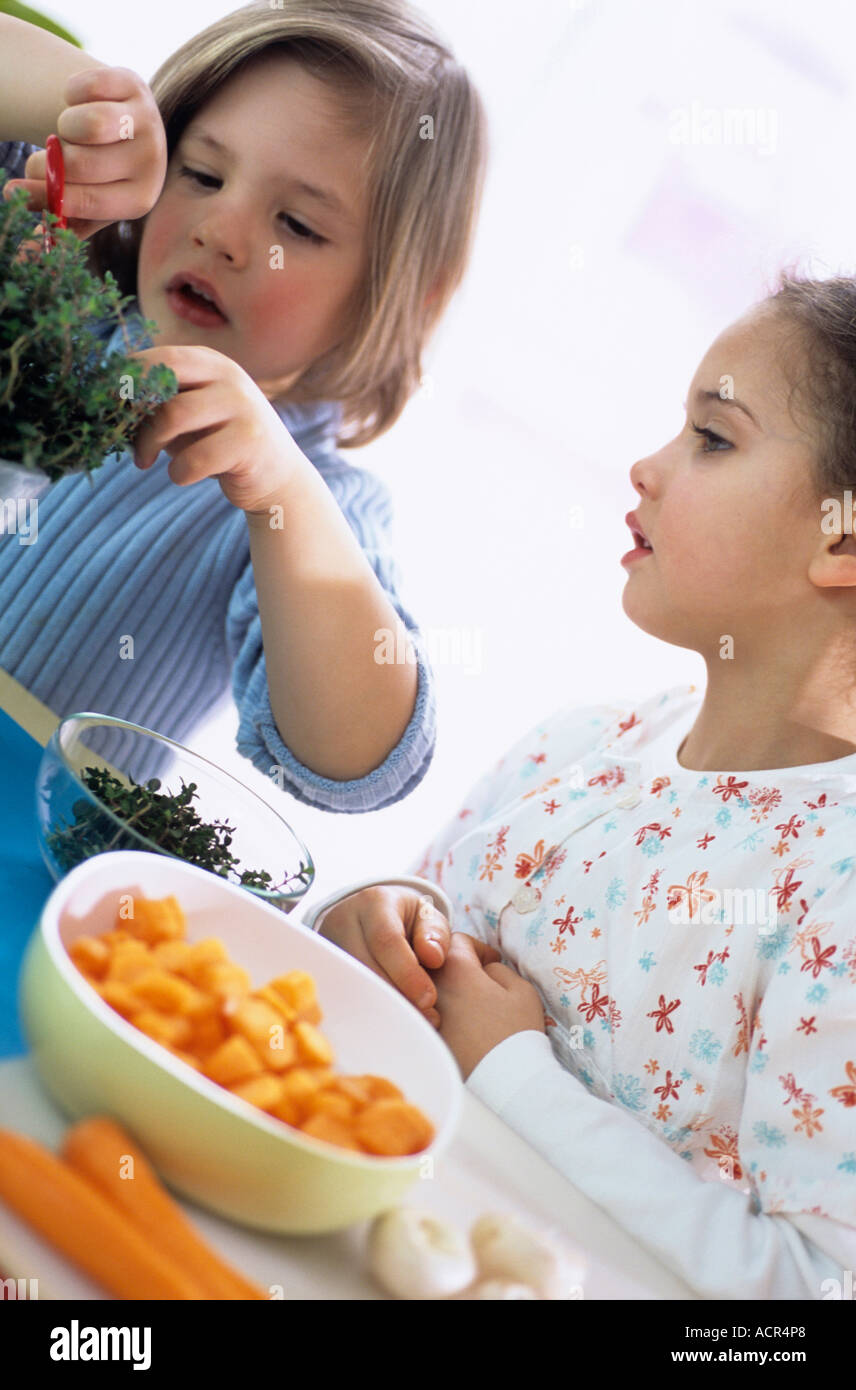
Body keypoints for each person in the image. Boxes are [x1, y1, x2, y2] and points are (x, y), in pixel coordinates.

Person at [308, 278, 856, 1299]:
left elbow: (808, 1289)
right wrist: (359, 919)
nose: (645, 468)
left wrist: (513, 1070)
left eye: (712, 438)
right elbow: (396, 936)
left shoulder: (836, 895)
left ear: (842, 536)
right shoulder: (578, 748)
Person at [0, 1, 487, 804]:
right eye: (200, 173)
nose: (225, 231)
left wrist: (279, 492)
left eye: (295, 223)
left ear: (393, 297)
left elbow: (360, 760)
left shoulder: (303, 502)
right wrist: (93, 107)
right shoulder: (56, 285)